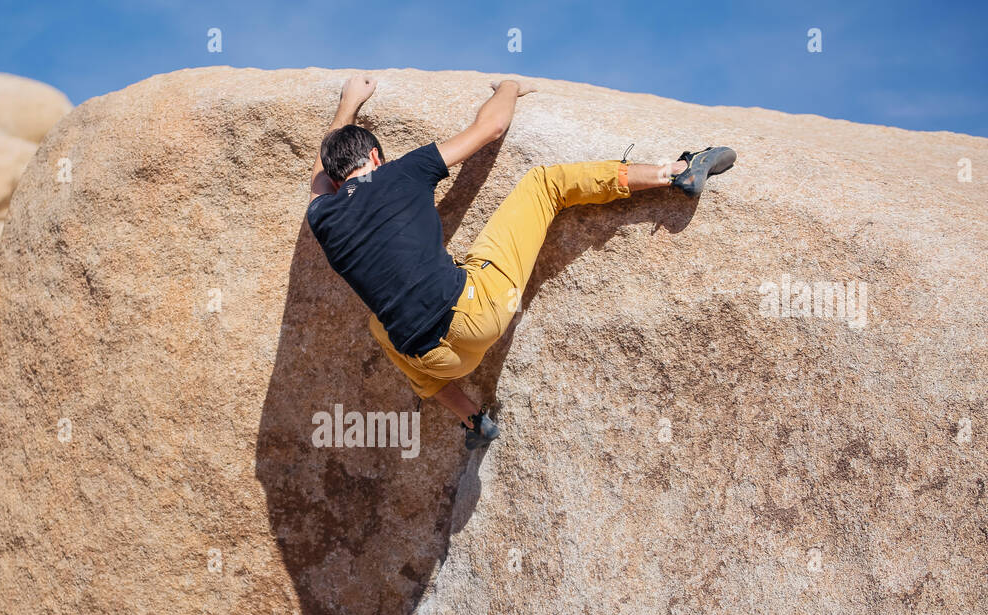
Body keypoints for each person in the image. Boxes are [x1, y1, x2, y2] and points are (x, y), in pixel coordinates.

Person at [306, 75, 735, 449]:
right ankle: (675, 172)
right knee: (544, 185)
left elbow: (318, 176)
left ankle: (474, 420)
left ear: (333, 179)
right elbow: (491, 127)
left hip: (434, 362)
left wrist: (346, 105)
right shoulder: (401, 171)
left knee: (381, 326)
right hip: (479, 315)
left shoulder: (321, 216)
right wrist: (508, 87)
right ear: (377, 159)